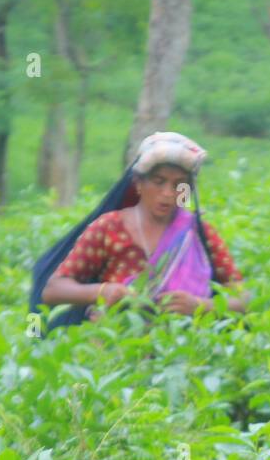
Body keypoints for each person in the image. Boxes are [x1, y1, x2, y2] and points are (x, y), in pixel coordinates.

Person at [39, 131, 251, 322]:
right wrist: (104, 291)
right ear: (139, 184)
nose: (168, 193)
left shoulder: (199, 233)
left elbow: (243, 299)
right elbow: (53, 289)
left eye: (179, 185)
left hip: (185, 355)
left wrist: (201, 306)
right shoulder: (109, 227)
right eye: (158, 181)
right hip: (115, 350)